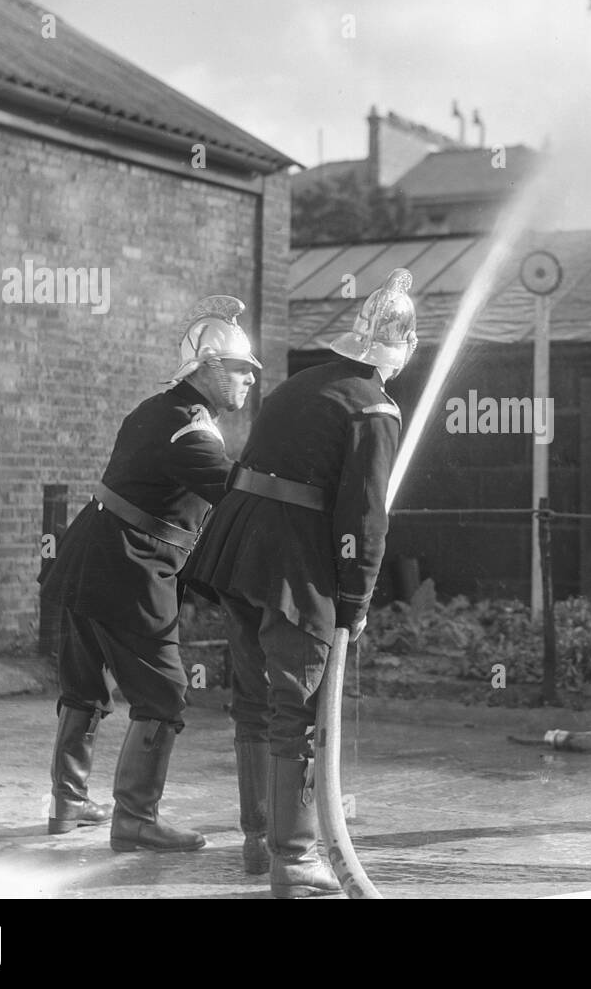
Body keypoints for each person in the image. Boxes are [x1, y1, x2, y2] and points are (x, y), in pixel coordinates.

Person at [184, 268, 415, 898]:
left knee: (255, 700)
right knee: (302, 709)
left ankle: (259, 841)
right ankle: (296, 858)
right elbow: (364, 517)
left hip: (238, 549)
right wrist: (357, 599)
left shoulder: (301, 384)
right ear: (398, 349)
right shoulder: (374, 406)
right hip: (291, 562)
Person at [41, 296, 260, 852]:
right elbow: (237, 497)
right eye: (241, 370)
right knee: (164, 694)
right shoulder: (190, 428)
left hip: (84, 557)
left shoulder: (153, 409)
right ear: (208, 367)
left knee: (84, 684)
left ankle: (68, 802)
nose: (250, 382)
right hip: (129, 568)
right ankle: (136, 818)